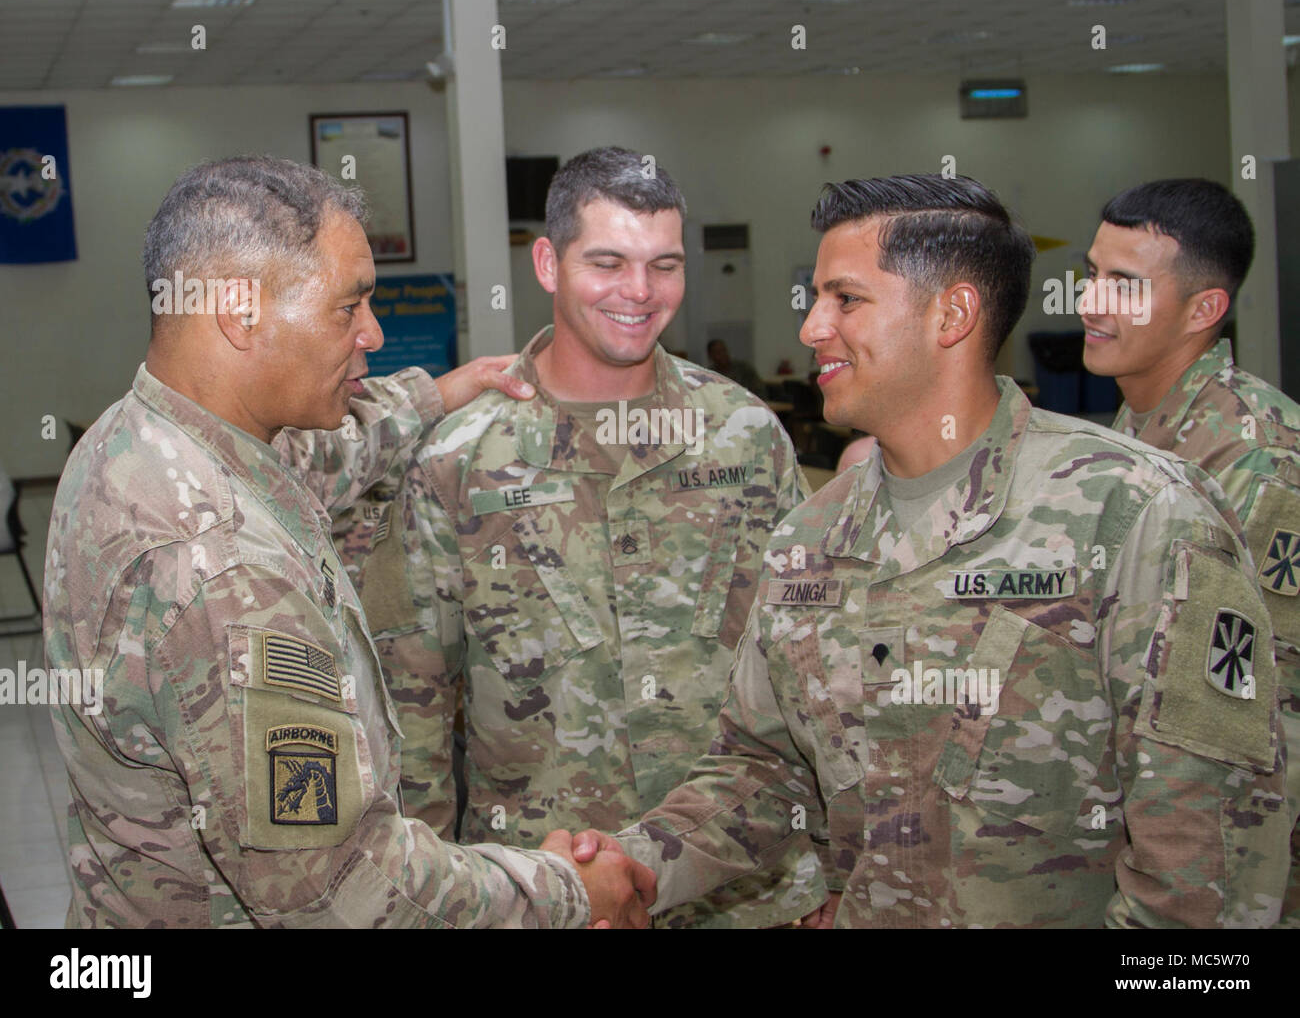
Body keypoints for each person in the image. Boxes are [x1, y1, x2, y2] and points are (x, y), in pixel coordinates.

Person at [574, 173, 1291, 927]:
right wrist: (634, 865)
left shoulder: (1136, 516)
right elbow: (761, 769)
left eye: (845, 299)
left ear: (951, 314)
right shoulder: (811, 541)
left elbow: (1209, 871)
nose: (813, 326)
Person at [42, 155, 654, 928]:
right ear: (240, 312)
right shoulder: (223, 570)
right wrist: (563, 889)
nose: (374, 331)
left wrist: (441, 391)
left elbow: (321, 459)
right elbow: (344, 895)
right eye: (348, 306)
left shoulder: (140, 441)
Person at [353, 147, 826, 927]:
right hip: (545, 888)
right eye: (607, 262)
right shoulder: (457, 459)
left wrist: (829, 862)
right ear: (547, 262)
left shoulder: (744, 437)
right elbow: (415, 707)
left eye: (663, 265)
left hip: (745, 890)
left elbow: (806, 670)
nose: (639, 292)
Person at [1080, 177, 1300, 924]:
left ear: (1204, 309)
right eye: (1092, 274)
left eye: (1123, 285)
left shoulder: (1256, 460)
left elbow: (1257, 720)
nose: (1089, 303)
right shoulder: (1141, 428)